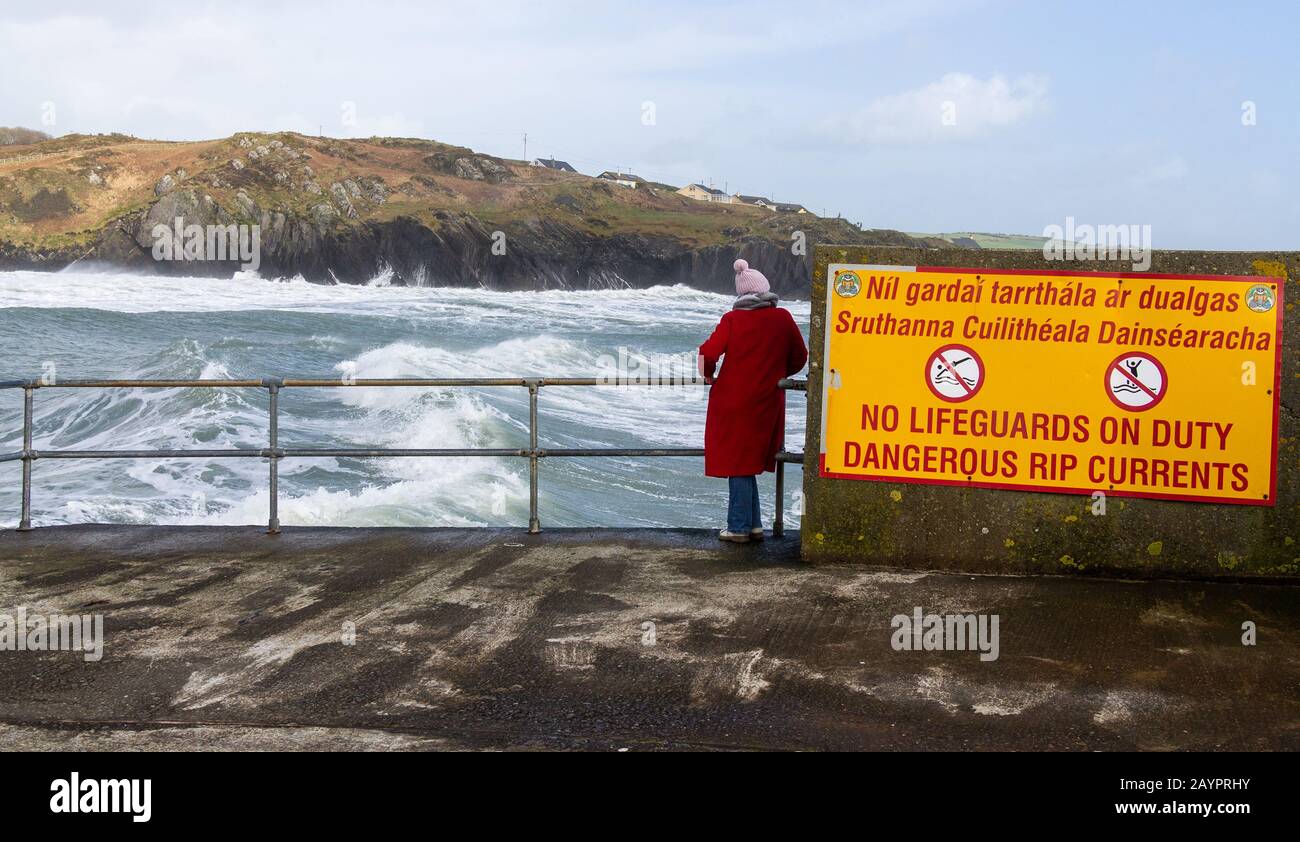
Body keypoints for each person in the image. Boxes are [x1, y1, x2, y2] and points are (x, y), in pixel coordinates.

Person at [698, 259, 808, 543]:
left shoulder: (733, 320)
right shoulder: (782, 318)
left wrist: (709, 376)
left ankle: (738, 527)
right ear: (765, 290)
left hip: (733, 400)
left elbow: (707, 353)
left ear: (741, 295)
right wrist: (778, 374)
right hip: (769, 399)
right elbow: (800, 356)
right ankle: (755, 525)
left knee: (737, 462)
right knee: (748, 461)